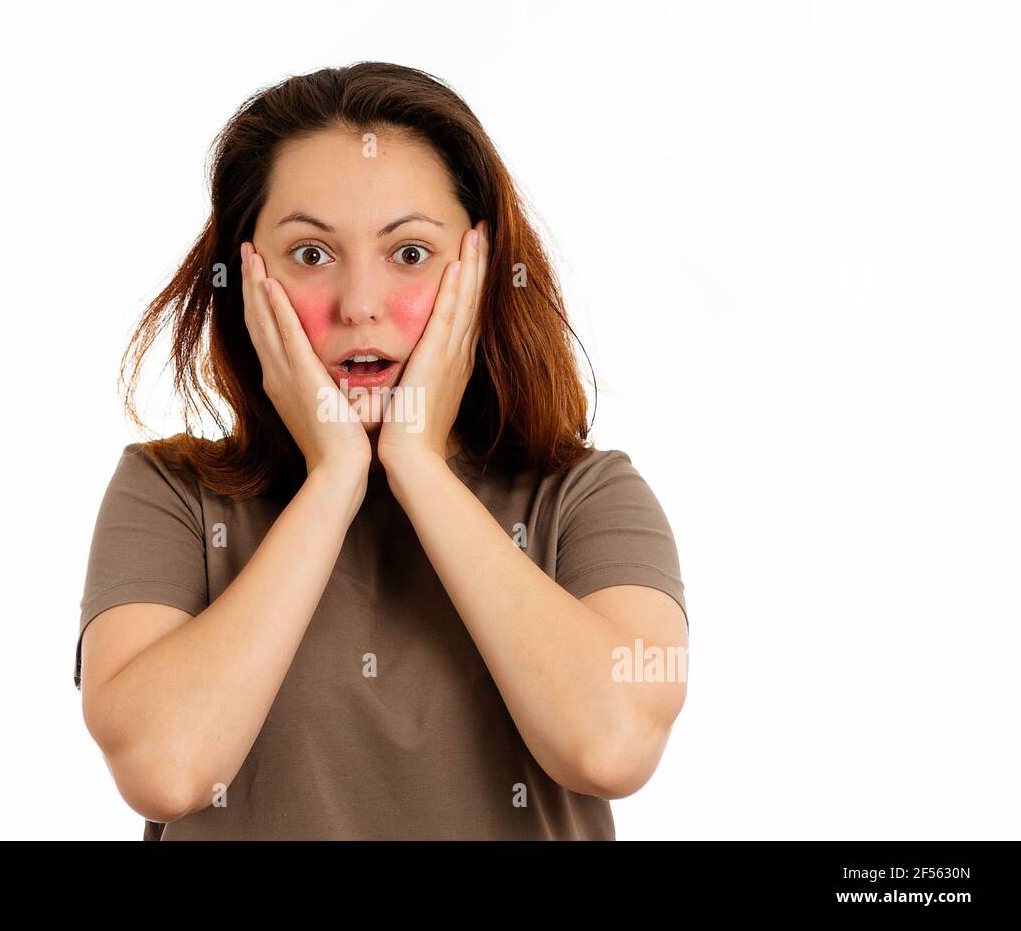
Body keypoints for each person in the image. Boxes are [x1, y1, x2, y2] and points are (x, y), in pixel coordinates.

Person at [74, 62, 689, 840]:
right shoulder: (169, 496)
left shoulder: (584, 497)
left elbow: (612, 747)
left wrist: (419, 466)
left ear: (480, 270)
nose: (359, 305)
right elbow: (165, 768)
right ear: (245, 276)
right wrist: (334, 478)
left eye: (408, 254)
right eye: (310, 254)